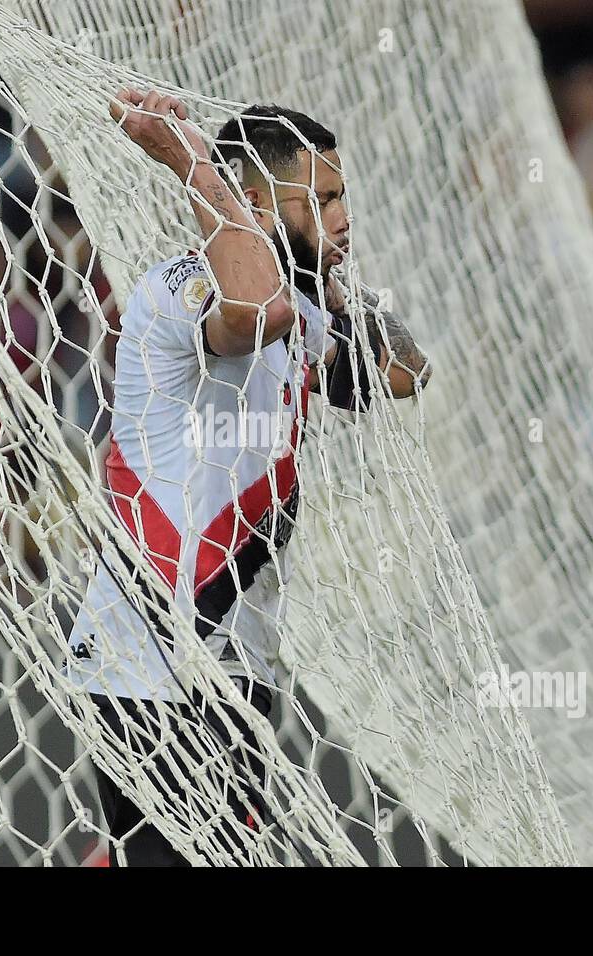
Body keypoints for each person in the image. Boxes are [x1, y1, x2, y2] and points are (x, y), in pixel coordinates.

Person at [68, 90, 431, 865]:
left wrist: (336, 288)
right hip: (158, 656)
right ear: (258, 200)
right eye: (323, 199)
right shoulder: (180, 288)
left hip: (231, 662)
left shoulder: (305, 314)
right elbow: (254, 310)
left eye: (343, 197)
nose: (342, 217)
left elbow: (404, 369)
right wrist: (191, 164)